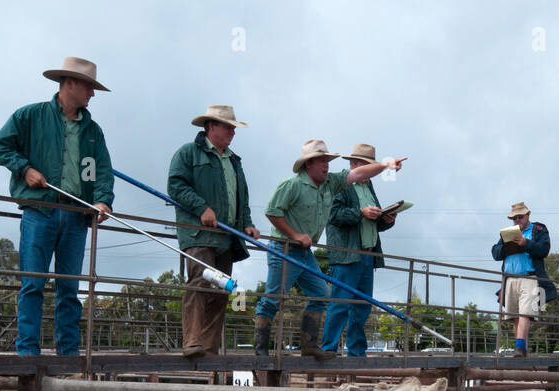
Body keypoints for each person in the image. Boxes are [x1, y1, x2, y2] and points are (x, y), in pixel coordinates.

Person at [0, 56, 114, 358]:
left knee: (69, 289)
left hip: (75, 213)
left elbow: (99, 171)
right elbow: (0, 146)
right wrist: (25, 168)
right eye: (88, 87)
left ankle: (68, 354)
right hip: (40, 210)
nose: (92, 94)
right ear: (69, 83)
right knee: (33, 283)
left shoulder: (92, 132)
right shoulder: (30, 116)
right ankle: (27, 354)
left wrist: (101, 199)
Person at [253, 139, 405, 358]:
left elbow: (359, 176)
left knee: (321, 294)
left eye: (328, 160)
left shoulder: (330, 184)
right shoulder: (292, 184)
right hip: (284, 247)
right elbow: (272, 211)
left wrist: (385, 165)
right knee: (275, 297)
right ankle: (261, 351)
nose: (326, 165)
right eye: (321, 161)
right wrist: (295, 235)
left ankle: (309, 346)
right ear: (308, 164)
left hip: (307, 251)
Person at [166, 105, 260, 359]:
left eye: (233, 128)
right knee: (200, 282)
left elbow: (243, 198)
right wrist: (201, 208)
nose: (232, 131)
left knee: (221, 289)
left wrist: (247, 224)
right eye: (227, 126)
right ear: (211, 126)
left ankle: (209, 346)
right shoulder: (189, 153)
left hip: (226, 237)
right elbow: (175, 185)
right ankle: (193, 340)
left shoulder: (233, 161)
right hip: (198, 234)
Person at [321, 143, 397, 358]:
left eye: (371, 166)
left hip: (367, 253)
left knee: (362, 306)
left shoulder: (368, 186)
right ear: (354, 164)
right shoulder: (340, 184)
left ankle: (356, 351)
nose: (369, 171)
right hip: (346, 254)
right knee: (341, 303)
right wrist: (360, 212)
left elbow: (372, 222)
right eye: (366, 165)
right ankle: (329, 349)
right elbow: (332, 214)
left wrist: (387, 219)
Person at [490, 202, 558, 357]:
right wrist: (506, 247)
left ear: (528, 216)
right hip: (509, 279)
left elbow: (544, 250)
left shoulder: (539, 230)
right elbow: (495, 253)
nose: (517, 220)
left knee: (526, 312)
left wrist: (526, 243)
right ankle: (521, 347)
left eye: (520, 217)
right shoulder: (507, 233)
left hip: (530, 277)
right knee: (514, 315)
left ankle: (519, 346)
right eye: (514, 218)